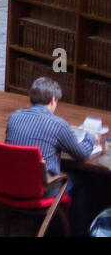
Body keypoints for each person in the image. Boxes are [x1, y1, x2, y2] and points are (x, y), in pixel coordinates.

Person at [6, 77, 101, 233]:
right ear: (53, 100)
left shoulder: (14, 117)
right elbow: (82, 154)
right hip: (41, 190)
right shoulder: (57, 124)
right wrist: (90, 137)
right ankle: (76, 232)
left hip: (11, 183)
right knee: (80, 183)